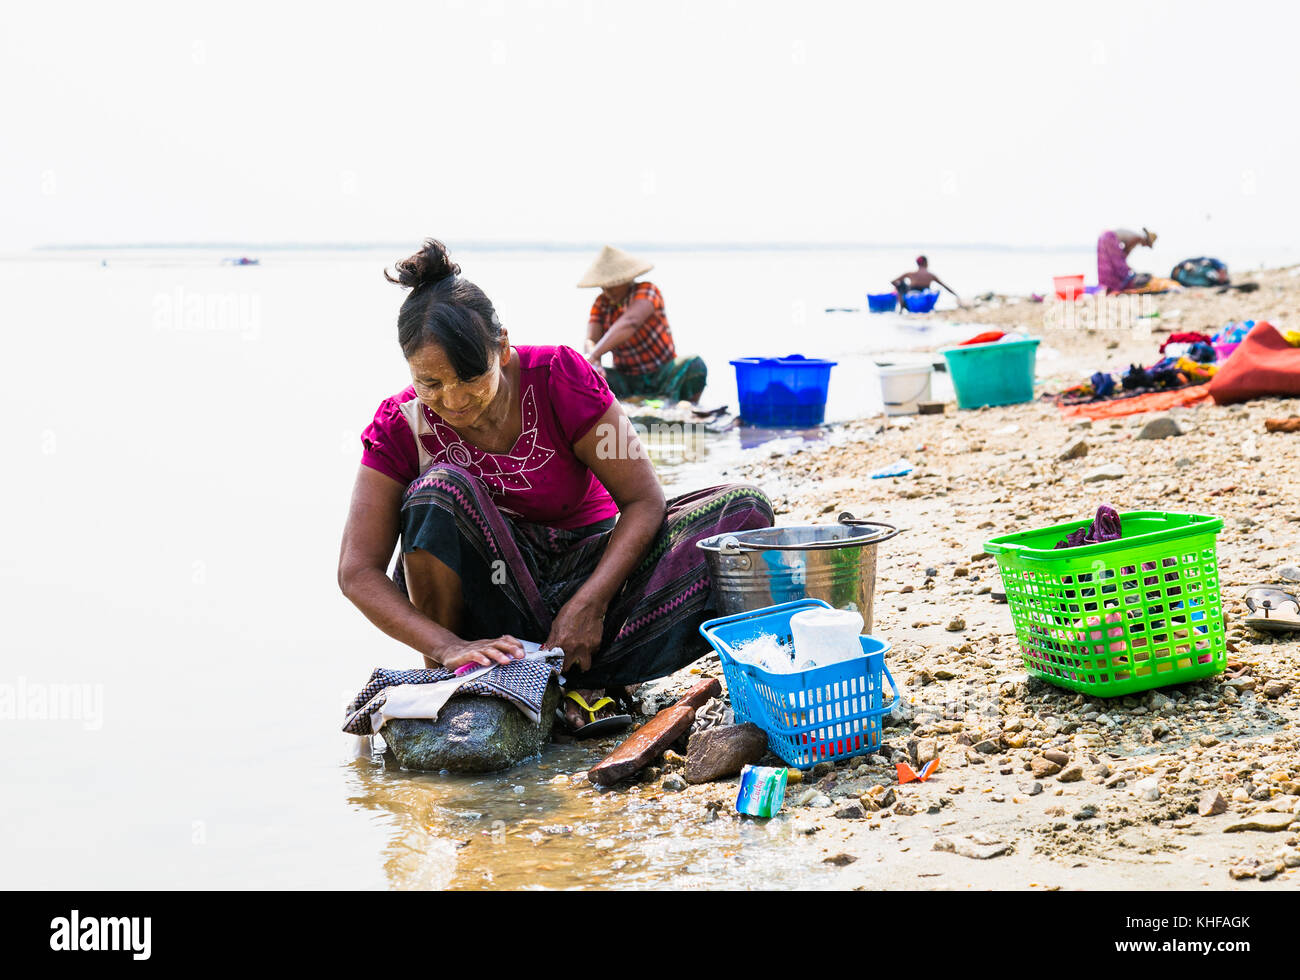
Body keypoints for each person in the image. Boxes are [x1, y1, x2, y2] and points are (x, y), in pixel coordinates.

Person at [338, 239, 773, 735]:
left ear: (501, 346)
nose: (453, 401)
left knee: (744, 514)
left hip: (589, 575)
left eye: (471, 377)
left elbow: (642, 502)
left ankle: (575, 674)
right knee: (437, 492)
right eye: (430, 383)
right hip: (490, 611)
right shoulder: (400, 423)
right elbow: (357, 571)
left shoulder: (561, 376)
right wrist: (445, 645)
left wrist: (590, 603)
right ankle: (462, 679)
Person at [580, 245, 708, 403]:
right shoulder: (601, 303)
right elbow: (591, 339)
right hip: (626, 378)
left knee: (694, 364)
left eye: (612, 284)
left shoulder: (647, 290)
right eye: (604, 285)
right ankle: (628, 403)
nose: (607, 290)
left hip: (662, 372)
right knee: (586, 379)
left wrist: (593, 356)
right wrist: (595, 364)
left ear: (626, 279)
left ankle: (684, 405)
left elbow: (630, 322)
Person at [1097, 227, 1157, 293]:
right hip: (1110, 238)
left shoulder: (1136, 237)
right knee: (1118, 268)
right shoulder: (1138, 238)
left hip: (1104, 236)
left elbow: (1123, 255)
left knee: (1107, 264)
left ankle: (1108, 287)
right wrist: (1127, 268)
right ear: (1146, 240)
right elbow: (1124, 253)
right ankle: (1114, 286)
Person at [890, 255, 961, 305]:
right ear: (925, 263)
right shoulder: (931, 275)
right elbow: (944, 286)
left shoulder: (910, 274)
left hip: (912, 295)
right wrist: (956, 295)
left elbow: (893, 281)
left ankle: (901, 308)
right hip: (925, 295)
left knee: (900, 284)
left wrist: (901, 286)